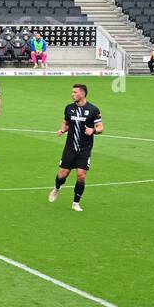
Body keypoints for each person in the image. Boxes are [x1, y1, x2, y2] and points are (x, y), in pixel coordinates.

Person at [49, 84, 102, 212]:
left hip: (85, 148)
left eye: (75, 92)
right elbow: (66, 122)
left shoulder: (93, 109)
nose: (72, 94)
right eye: (72, 92)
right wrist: (63, 129)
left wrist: (93, 130)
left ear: (83, 94)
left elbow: (100, 128)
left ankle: (75, 203)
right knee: (63, 174)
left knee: (81, 175)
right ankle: (57, 188)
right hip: (70, 148)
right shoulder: (69, 108)